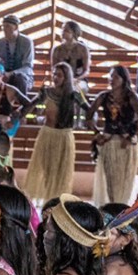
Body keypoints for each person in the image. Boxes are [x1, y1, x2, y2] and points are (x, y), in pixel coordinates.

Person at [23, 62, 88, 203]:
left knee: (61, 174)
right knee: (47, 171)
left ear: (67, 77)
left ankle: (57, 203)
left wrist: (94, 124)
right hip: (47, 135)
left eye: (59, 75)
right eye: (54, 74)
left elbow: (89, 109)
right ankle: (48, 202)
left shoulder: (74, 95)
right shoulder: (46, 92)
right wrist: (19, 114)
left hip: (64, 137)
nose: (55, 77)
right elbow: (31, 104)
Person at [89, 65, 138, 206]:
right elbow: (89, 114)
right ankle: (113, 206)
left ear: (124, 79)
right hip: (109, 143)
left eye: (115, 77)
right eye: (110, 76)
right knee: (111, 179)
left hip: (126, 145)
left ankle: (121, 207)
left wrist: (130, 136)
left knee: (124, 180)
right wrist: (96, 133)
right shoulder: (103, 96)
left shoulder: (132, 97)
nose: (112, 80)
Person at [0, 15, 35, 87]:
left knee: (19, 80)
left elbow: (27, 66)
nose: (5, 29)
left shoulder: (27, 42)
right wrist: (1, 73)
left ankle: (20, 98)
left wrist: (12, 73)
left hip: (23, 77)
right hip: (3, 76)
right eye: (3, 27)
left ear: (16, 27)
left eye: (7, 26)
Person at [52, 21, 91, 89]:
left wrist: (76, 79)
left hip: (79, 81)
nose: (63, 32)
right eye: (62, 30)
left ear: (74, 33)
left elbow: (86, 71)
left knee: (74, 88)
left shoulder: (83, 49)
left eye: (66, 30)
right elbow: (54, 69)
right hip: (61, 81)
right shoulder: (57, 49)